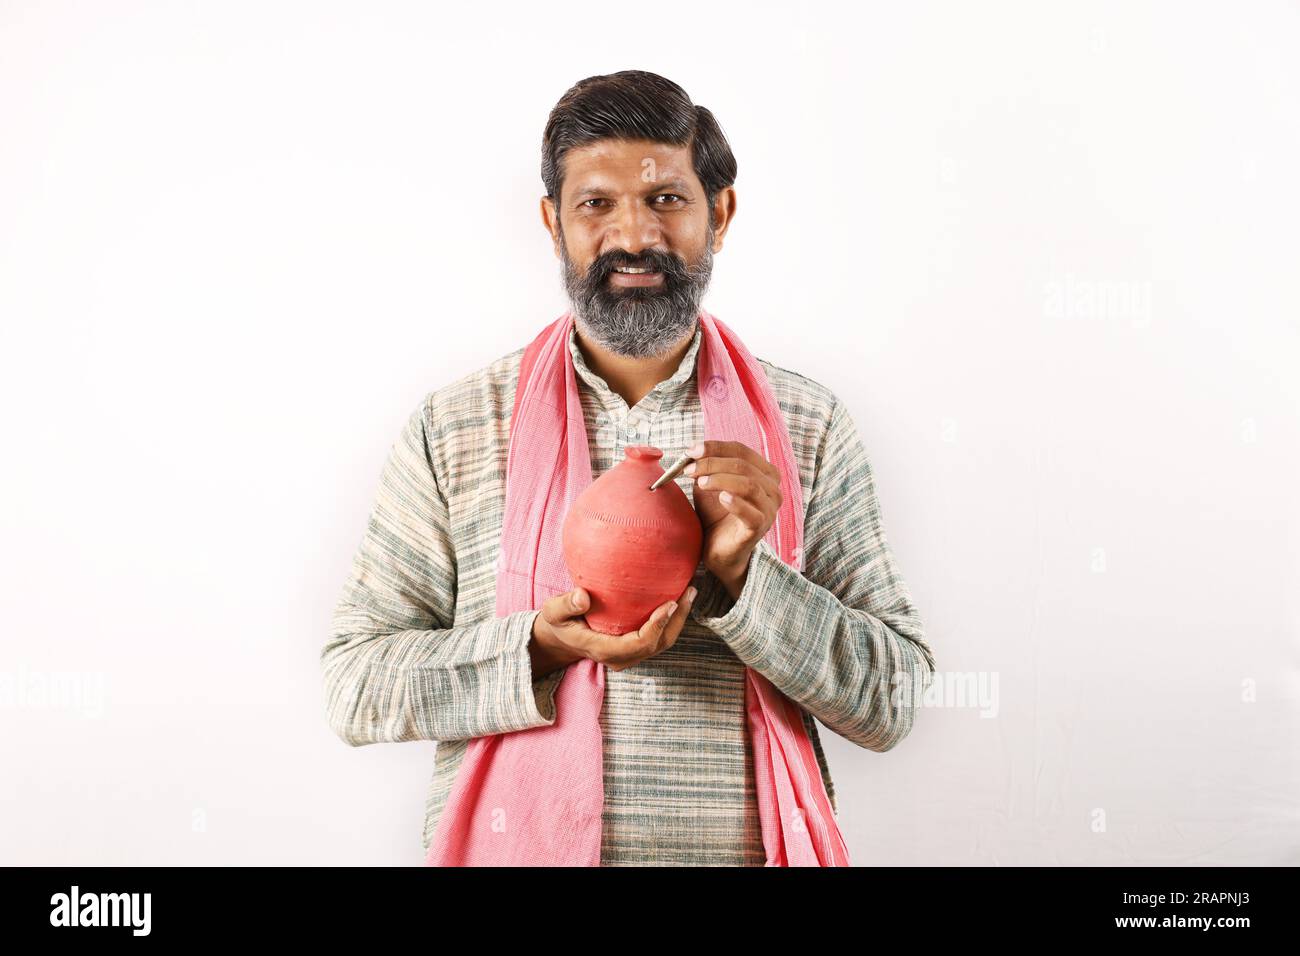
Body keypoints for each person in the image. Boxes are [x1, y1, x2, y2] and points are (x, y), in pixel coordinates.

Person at [321, 70, 935, 866]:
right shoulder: (458, 427)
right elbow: (354, 685)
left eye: (667, 200)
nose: (634, 237)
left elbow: (893, 699)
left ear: (722, 212)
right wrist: (537, 649)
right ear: (553, 224)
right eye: (596, 203)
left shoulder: (806, 426)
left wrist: (748, 580)